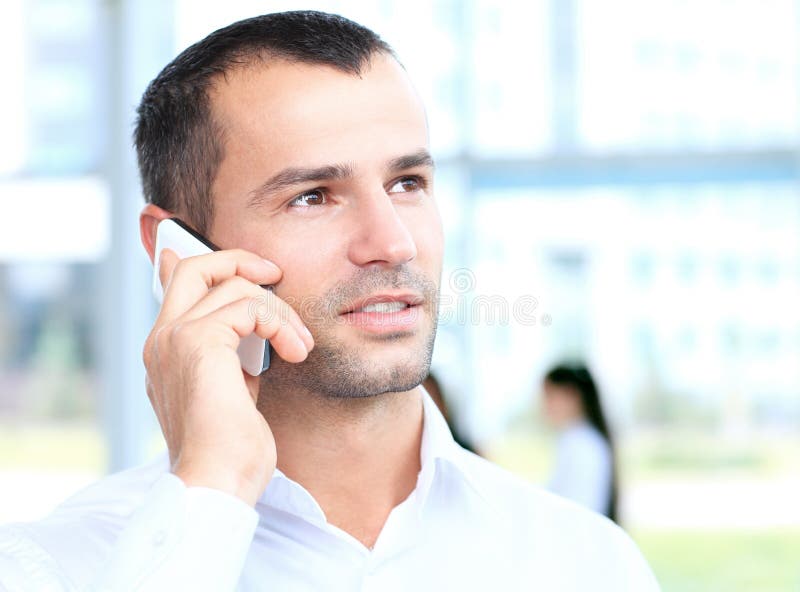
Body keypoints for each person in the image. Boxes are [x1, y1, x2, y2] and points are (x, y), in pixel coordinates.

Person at [0, 12, 659, 591]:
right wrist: (214, 485)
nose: (392, 243)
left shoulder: (588, 563)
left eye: (407, 182)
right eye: (312, 196)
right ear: (176, 249)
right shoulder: (52, 568)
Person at [541, 363, 618, 521]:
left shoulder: (580, 443)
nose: (544, 405)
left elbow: (577, 506)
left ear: (571, 395)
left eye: (549, 396)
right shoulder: (579, 439)